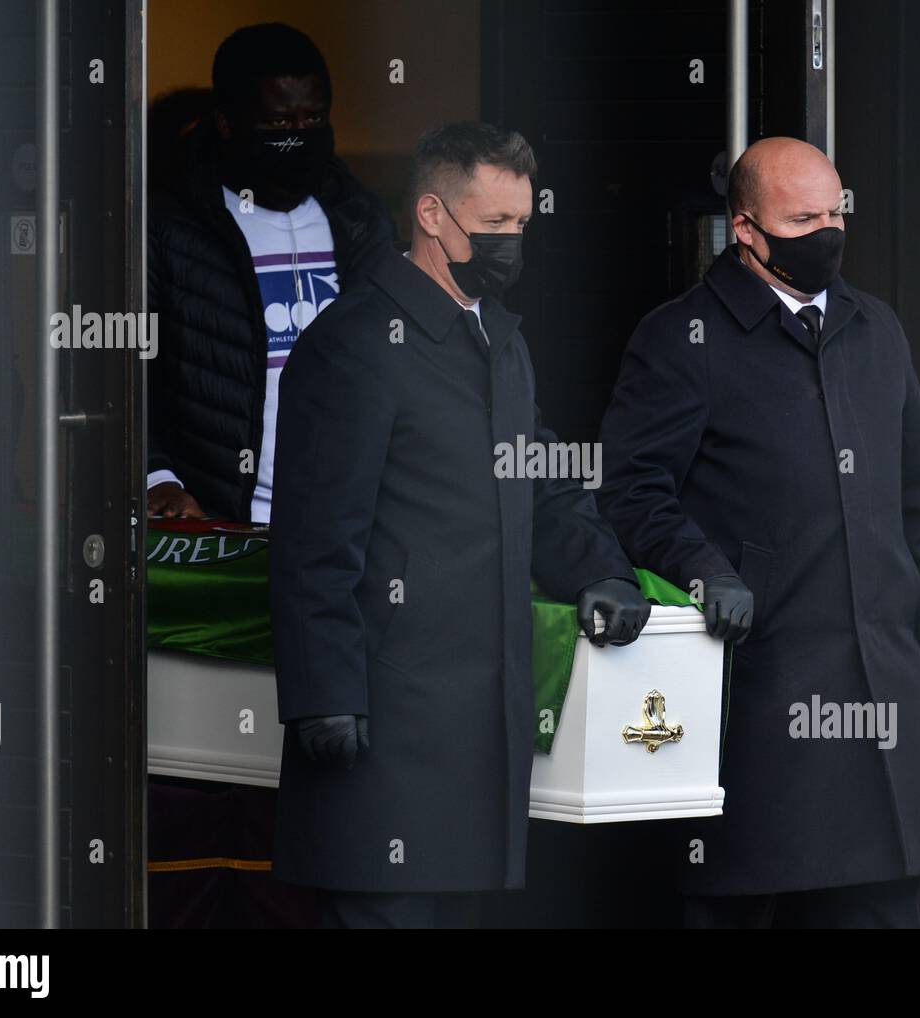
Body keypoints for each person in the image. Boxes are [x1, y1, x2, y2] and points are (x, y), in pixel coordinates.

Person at [267, 121, 651, 929]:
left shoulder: (499, 343)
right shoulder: (356, 344)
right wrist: (323, 696)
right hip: (385, 733)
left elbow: (542, 484)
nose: (512, 243)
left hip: (484, 737)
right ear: (433, 215)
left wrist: (603, 570)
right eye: (495, 224)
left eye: (521, 225)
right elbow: (313, 541)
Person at [597, 136, 920, 928]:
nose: (828, 230)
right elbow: (631, 492)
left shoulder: (875, 329)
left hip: (883, 690)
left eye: (835, 210)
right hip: (759, 688)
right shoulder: (681, 338)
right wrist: (709, 572)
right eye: (803, 217)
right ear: (746, 229)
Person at [146, 22, 395, 522]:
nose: (299, 135)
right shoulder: (169, 229)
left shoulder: (360, 220)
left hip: (351, 530)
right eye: (280, 124)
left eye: (314, 119)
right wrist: (157, 477)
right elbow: (126, 378)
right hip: (227, 534)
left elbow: (402, 369)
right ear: (226, 122)